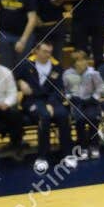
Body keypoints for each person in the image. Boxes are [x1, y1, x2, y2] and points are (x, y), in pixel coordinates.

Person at [13, 40, 71, 172]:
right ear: (36, 51)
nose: (47, 55)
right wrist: (20, 82)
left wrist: (51, 104)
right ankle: (42, 157)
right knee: (43, 116)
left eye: (49, 52)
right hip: (32, 100)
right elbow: (13, 77)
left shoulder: (57, 66)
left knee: (63, 115)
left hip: (52, 100)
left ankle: (67, 154)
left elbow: (59, 90)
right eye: (44, 51)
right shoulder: (26, 64)